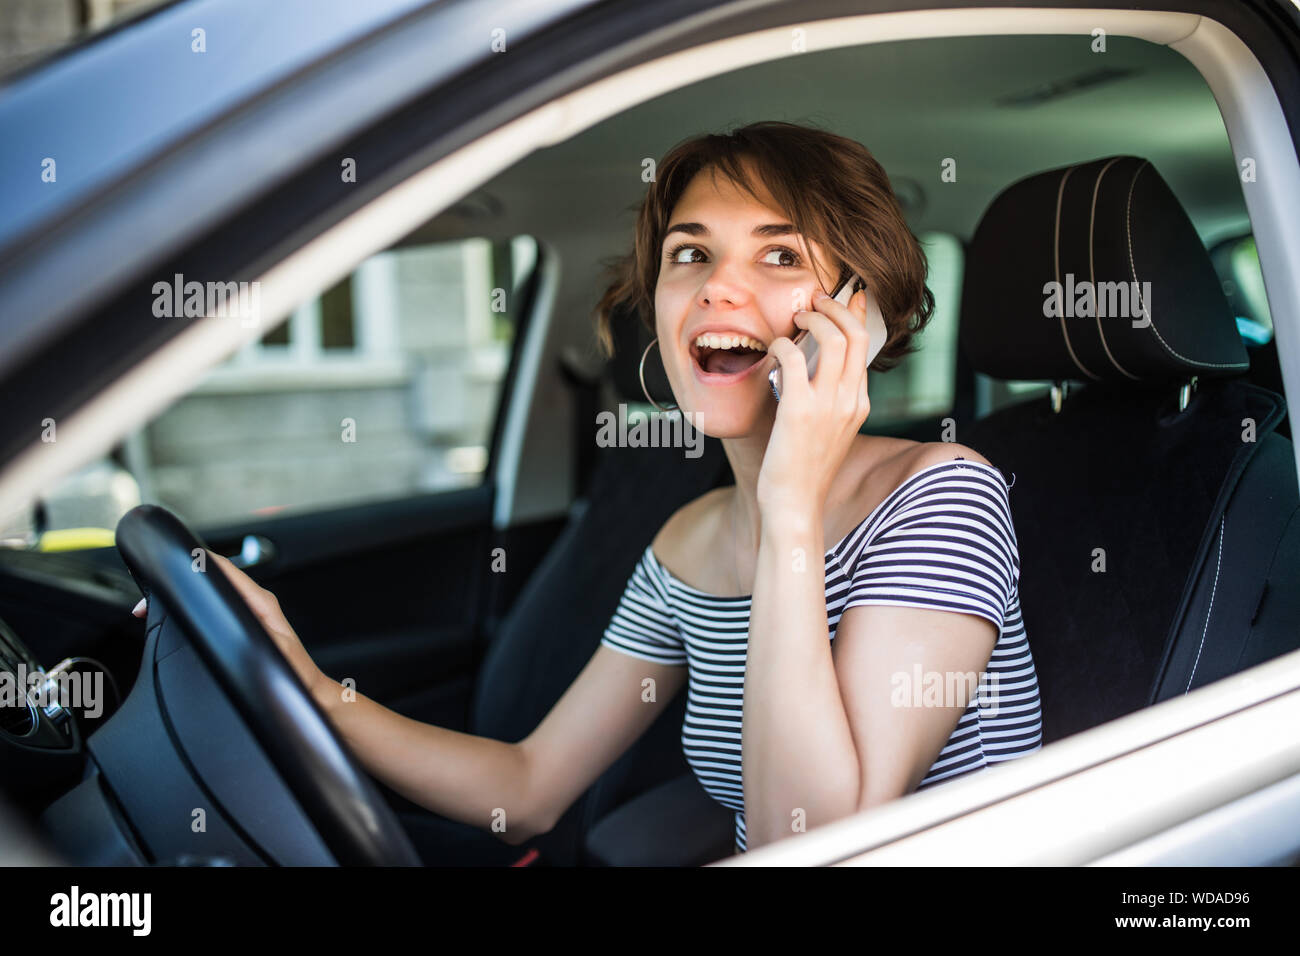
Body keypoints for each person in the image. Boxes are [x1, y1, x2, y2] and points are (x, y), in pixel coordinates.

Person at [134, 120, 1042, 860]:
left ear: (860, 314)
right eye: (690, 256)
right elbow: (528, 789)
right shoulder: (685, 542)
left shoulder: (941, 495)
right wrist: (302, 681)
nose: (718, 287)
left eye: (777, 258)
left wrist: (792, 506)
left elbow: (809, 843)